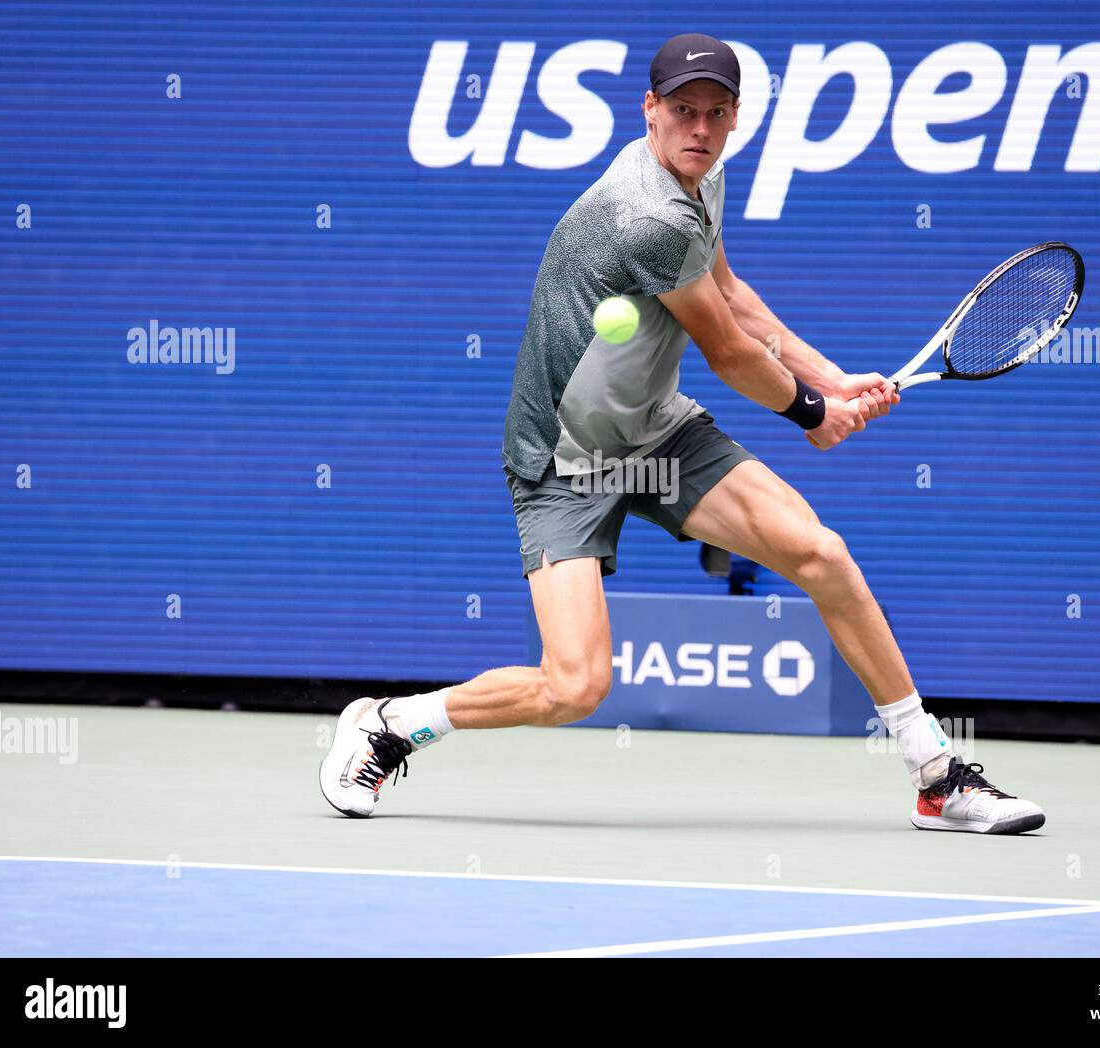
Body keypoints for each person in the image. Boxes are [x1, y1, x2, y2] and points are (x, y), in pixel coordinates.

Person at [321, 33, 1045, 834]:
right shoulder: (648, 215)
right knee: (575, 688)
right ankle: (391, 723)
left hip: (656, 434)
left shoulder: (706, 178)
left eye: (717, 112)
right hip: (567, 459)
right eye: (682, 111)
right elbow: (728, 352)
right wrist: (812, 413)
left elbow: (730, 294)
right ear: (650, 110)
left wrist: (831, 375)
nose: (699, 127)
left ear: (734, 118)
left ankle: (937, 777)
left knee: (821, 554)